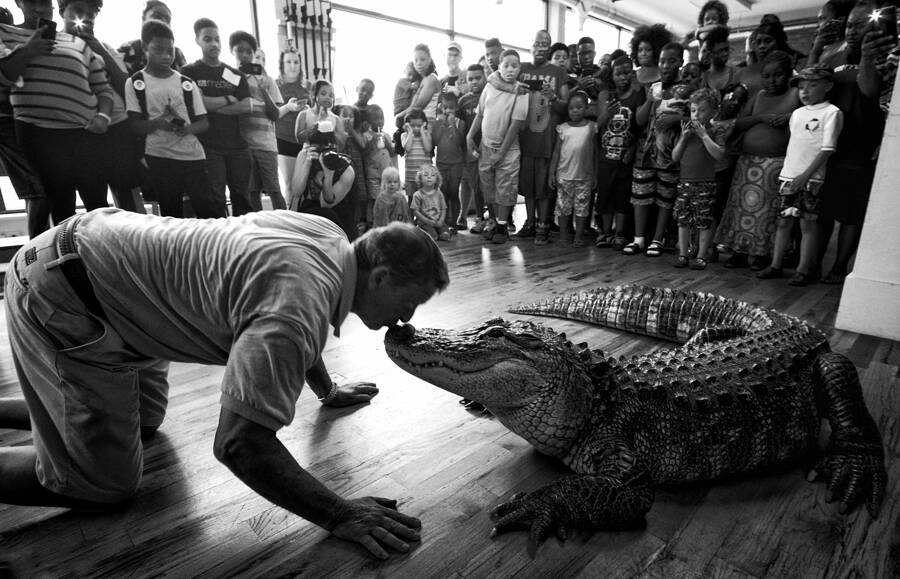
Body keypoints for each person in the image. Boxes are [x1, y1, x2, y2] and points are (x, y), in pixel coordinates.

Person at [0, 206, 449, 561]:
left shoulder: (327, 237)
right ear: (382, 277)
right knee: (99, 486)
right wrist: (341, 514)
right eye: (411, 302)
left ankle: (49, 403)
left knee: (144, 423)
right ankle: (60, 421)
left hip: (105, 263)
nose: (407, 318)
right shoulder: (297, 308)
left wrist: (326, 392)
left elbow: (283, 313)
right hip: (64, 297)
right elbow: (239, 444)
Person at [0, 0, 114, 226]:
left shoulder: (78, 42)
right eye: (32, 2)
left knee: (98, 201)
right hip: (39, 132)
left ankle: (103, 256)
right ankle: (66, 260)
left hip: (86, 131)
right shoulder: (4, 33)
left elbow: (103, 89)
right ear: (18, 3)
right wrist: (28, 50)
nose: (40, 8)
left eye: (45, 2)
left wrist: (103, 117)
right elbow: (4, 76)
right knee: (60, 202)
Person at [816, 1, 893, 284]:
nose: (851, 30)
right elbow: (811, 80)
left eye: (860, 24)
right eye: (849, 24)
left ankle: (839, 268)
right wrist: (818, 49)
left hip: (862, 143)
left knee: (852, 213)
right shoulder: (833, 55)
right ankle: (812, 264)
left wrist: (865, 58)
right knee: (823, 210)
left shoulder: (885, 54)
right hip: (832, 140)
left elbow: (869, 88)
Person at [125, 20, 221, 219]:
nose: (166, 56)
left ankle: (212, 248)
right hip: (159, 156)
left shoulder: (186, 83)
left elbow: (204, 123)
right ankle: (177, 251)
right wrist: (158, 123)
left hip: (193, 155)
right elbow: (134, 125)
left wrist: (186, 129)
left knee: (206, 209)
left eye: (170, 51)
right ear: (144, 47)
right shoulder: (135, 83)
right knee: (171, 214)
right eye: (158, 50)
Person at [756, 65, 842, 286]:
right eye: (802, 87)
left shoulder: (831, 113)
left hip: (811, 180)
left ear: (828, 86)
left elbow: (827, 149)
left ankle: (804, 269)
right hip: (788, 177)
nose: (805, 91)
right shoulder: (797, 114)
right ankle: (776, 264)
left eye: (812, 85)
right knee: (783, 221)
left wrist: (805, 175)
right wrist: (789, 173)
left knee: (807, 225)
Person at [717, 50, 800, 270]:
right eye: (767, 76)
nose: (772, 80)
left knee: (765, 214)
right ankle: (739, 251)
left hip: (775, 163)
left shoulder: (795, 94)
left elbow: (809, 113)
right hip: (748, 162)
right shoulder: (760, 95)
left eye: (778, 75)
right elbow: (739, 123)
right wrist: (761, 118)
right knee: (740, 210)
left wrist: (790, 117)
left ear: (788, 74)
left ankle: (762, 254)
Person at [182, 19, 258, 217]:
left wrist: (209, 105)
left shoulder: (234, 74)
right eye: (208, 39)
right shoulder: (189, 73)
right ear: (197, 40)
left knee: (243, 200)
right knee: (215, 201)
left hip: (238, 146)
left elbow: (247, 105)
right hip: (209, 146)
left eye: (217, 39)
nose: (214, 44)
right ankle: (217, 246)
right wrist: (228, 98)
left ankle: (242, 244)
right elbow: (195, 103)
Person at [623, 42, 685, 257]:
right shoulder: (653, 87)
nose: (666, 65)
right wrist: (649, 101)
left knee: (665, 197)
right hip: (645, 152)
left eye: (671, 61)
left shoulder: (687, 89)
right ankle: (639, 238)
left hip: (670, 154)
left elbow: (697, 118)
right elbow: (639, 120)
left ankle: (657, 238)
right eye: (662, 61)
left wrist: (676, 119)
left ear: (681, 63)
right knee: (641, 194)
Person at [510, 29, 570, 244]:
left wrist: (553, 97)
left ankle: (543, 224)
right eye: (537, 43)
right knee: (527, 186)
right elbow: (501, 81)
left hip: (547, 139)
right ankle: (530, 223)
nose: (541, 46)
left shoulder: (557, 72)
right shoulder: (521, 69)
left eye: (546, 43)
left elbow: (567, 106)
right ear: (531, 46)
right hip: (524, 138)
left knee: (544, 186)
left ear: (549, 47)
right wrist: (516, 87)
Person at [466, 49, 528, 245]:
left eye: (514, 65)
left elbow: (515, 125)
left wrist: (501, 153)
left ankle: (502, 225)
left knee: (505, 187)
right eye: (506, 65)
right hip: (486, 145)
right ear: (499, 66)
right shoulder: (490, 86)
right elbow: (481, 114)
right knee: (488, 186)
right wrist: (469, 136)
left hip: (507, 149)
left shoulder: (522, 91)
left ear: (519, 69)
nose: (510, 69)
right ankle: (493, 221)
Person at [0, 0, 48, 236]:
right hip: (7, 117)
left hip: (22, 116)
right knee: (40, 188)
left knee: (38, 189)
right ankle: (34, 257)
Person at [231, 30, 291, 211]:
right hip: (243, 145)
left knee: (274, 189)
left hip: (267, 144)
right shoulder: (231, 79)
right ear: (232, 52)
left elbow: (275, 115)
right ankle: (258, 228)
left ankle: (285, 226)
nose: (245, 55)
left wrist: (263, 89)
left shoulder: (268, 80)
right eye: (240, 51)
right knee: (252, 191)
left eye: (249, 51)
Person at [671, 88, 727, 270]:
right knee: (683, 219)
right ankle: (683, 254)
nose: (696, 115)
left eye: (702, 110)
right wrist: (683, 138)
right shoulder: (686, 130)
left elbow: (719, 154)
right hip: (684, 182)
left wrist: (704, 135)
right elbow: (675, 157)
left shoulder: (715, 130)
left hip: (705, 183)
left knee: (704, 221)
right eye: (693, 110)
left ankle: (702, 255)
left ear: (713, 112)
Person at [595, 56, 646, 250]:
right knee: (605, 196)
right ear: (612, 75)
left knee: (622, 197)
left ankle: (619, 233)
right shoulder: (606, 96)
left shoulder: (637, 94)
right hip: (606, 156)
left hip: (625, 158)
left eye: (627, 72)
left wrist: (633, 150)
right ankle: (605, 232)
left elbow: (641, 126)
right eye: (618, 73)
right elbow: (597, 125)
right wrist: (607, 114)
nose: (623, 77)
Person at [289, 120, 356, 238]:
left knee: (327, 214)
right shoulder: (305, 156)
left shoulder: (346, 170)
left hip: (337, 214)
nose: (322, 153)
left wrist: (328, 174)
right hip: (309, 211)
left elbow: (325, 204)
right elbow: (296, 192)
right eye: (317, 148)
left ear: (335, 147)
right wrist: (307, 165)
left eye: (327, 148)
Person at [548, 90, 596, 247]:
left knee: (582, 209)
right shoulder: (562, 128)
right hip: (564, 176)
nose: (575, 110)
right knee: (562, 208)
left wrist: (595, 175)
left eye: (579, 107)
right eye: (571, 108)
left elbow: (595, 152)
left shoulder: (591, 127)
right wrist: (551, 173)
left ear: (586, 108)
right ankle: (563, 236)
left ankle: (579, 237)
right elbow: (556, 152)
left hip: (584, 176)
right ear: (567, 110)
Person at [274, 49, 310, 195]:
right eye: (288, 62)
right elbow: (272, 115)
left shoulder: (307, 86)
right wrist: (288, 107)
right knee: (289, 183)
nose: (293, 66)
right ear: (282, 65)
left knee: (305, 183)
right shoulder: (275, 85)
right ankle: (291, 215)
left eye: (296, 62)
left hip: (303, 140)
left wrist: (309, 110)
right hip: (283, 139)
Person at [118, 0, 186, 75]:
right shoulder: (127, 49)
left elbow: (185, 83)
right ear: (143, 19)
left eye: (168, 19)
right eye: (157, 16)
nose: (163, 21)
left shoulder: (177, 53)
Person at [458, 64, 487, 233]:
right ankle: (478, 218)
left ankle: (496, 219)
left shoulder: (489, 96)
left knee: (487, 185)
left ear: (484, 77)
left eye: (478, 78)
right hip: (470, 151)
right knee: (475, 185)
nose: (474, 82)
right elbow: (460, 128)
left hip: (489, 147)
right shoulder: (463, 101)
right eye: (470, 79)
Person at [430, 91, 466, 230]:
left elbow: (459, 141)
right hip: (441, 163)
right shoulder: (437, 123)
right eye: (445, 107)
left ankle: (454, 223)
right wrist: (442, 124)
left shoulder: (460, 123)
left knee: (453, 191)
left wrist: (452, 126)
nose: (447, 111)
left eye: (451, 107)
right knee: (443, 192)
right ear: (441, 107)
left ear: (456, 108)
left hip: (456, 163)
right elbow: (436, 141)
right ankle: (444, 222)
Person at [362, 104, 398, 230]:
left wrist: (387, 143)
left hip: (386, 175)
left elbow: (393, 153)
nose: (379, 121)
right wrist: (372, 141)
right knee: (374, 198)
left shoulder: (386, 135)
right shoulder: (366, 136)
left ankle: (386, 219)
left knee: (387, 197)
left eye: (381, 118)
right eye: (375, 119)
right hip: (372, 174)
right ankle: (371, 222)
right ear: (368, 121)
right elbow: (364, 152)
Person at [395, 44, 441, 126]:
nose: (419, 63)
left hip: (428, 127)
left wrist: (399, 115)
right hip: (417, 126)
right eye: (416, 60)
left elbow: (417, 107)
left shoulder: (431, 79)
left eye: (422, 60)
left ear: (429, 60)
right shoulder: (419, 81)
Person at [410, 164, 451, 241]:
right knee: (433, 237)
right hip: (424, 222)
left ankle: (441, 233)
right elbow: (415, 211)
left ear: (437, 179)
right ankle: (421, 231)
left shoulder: (439, 193)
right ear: (420, 179)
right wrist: (427, 221)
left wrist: (441, 220)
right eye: (426, 175)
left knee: (445, 232)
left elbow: (443, 209)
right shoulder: (417, 194)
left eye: (432, 175)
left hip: (438, 220)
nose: (429, 177)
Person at [400, 108, 433, 200]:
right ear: (407, 125)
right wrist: (410, 132)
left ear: (424, 124)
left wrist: (422, 132)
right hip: (410, 176)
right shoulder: (405, 135)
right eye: (412, 125)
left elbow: (428, 148)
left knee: (425, 201)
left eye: (419, 125)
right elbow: (408, 147)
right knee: (411, 200)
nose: (415, 128)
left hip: (425, 177)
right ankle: (410, 215)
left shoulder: (426, 134)